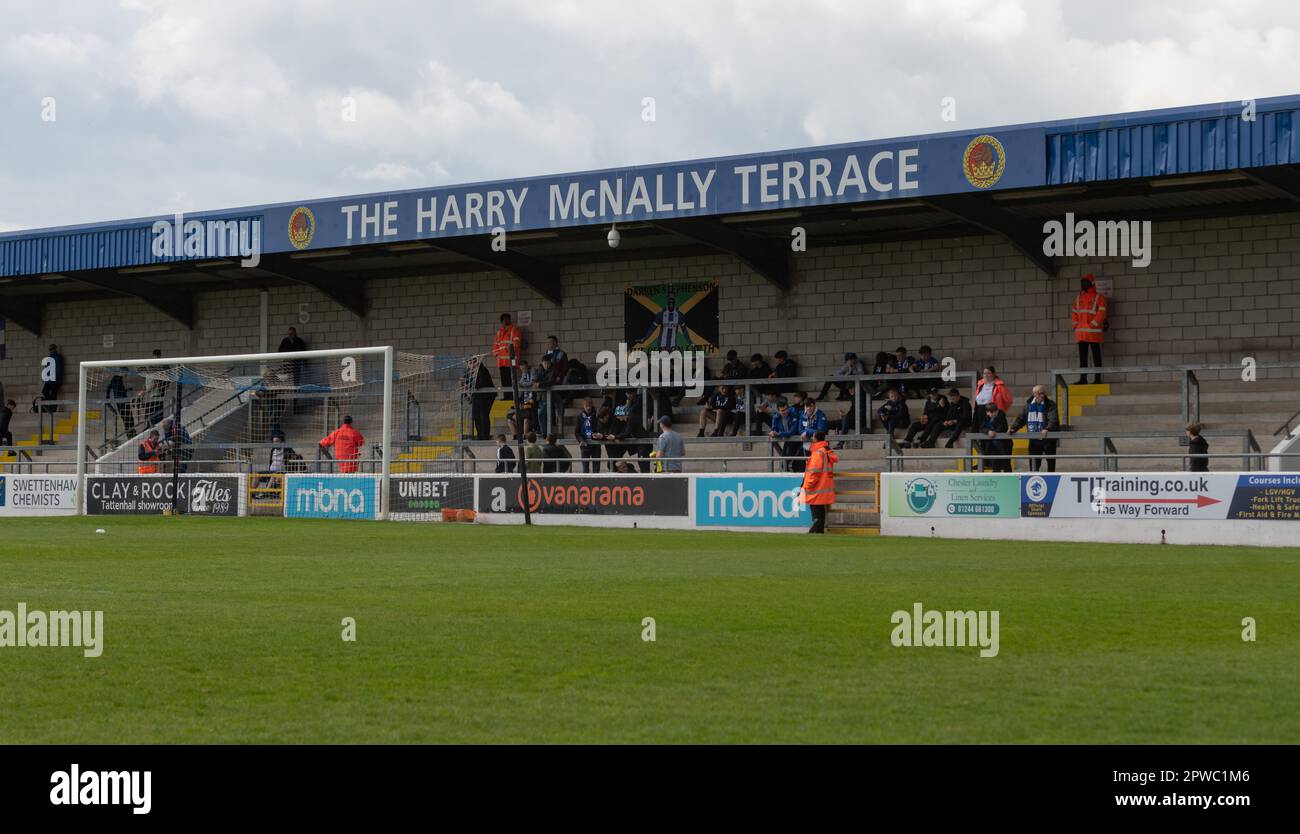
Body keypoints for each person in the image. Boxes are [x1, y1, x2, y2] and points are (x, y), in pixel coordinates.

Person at [1010, 385, 1061, 472]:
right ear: (1034, 394)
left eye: (1043, 393)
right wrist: (1014, 428)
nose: (1042, 395)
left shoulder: (1050, 404)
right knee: (1034, 465)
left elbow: (1053, 419)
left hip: (1048, 439)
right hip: (1034, 440)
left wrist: (1047, 429)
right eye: (1040, 393)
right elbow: (1021, 419)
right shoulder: (1028, 405)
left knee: (1051, 464)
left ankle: (1052, 482)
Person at [1072, 274, 1108, 384]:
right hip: (1081, 334)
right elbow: (1074, 313)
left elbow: (1102, 312)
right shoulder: (1078, 298)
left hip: (1093, 333)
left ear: (1091, 283)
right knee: (1083, 358)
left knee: (1096, 357)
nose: (1083, 284)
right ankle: (1083, 379)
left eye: (1085, 281)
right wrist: (1075, 325)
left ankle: (1097, 379)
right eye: (1082, 282)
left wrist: (1093, 324)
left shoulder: (1099, 297)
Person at [801, 430, 837, 534]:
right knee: (821, 507)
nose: (811, 438)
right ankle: (820, 530)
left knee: (814, 505)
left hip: (817, 485)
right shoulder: (827, 450)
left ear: (816, 438)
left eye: (812, 436)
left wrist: (807, 485)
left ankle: (816, 522)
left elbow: (814, 471)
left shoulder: (818, 453)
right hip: (825, 484)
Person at [977, 403, 1012, 472]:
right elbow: (981, 428)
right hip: (993, 445)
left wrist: (994, 432)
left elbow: (1003, 427)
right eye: (992, 412)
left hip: (1004, 445)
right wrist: (988, 431)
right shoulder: (986, 417)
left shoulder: (1001, 415)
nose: (994, 414)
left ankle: (1010, 480)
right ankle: (996, 481)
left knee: (1006, 464)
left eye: (995, 411)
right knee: (995, 465)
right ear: (987, 412)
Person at [767, 402, 801, 471]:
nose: (785, 411)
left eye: (786, 409)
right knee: (784, 461)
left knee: (792, 462)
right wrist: (773, 433)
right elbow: (774, 429)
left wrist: (779, 434)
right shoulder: (776, 417)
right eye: (782, 410)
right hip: (788, 440)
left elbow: (793, 431)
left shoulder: (794, 414)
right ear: (778, 411)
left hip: (797, 441)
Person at [492, 312, 523, 389]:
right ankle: (506, 398)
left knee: (511, 380)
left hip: (511, 361)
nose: (506, 321)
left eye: (507, 319)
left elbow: (517, 342)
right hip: (501, 363)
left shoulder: (514, 330)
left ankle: (511, 398)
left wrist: (510, 347)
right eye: (504, 319)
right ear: (501, 321)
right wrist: (496, 354)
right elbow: (495, 346)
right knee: (504, 381)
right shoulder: (499, 333)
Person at [469, 356, 496, 440]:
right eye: (469, 364)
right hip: (478, 398)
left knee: (483, 416)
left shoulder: (482, 370)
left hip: (486, 397)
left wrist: (470, 386)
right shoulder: (469, 372)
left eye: (471, 363)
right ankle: (480, 435)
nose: (470, 365)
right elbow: (466, 381)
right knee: (476, 416)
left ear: (475, 363)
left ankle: (484, 436)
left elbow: (481, 383)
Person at [574, 398, 602, 473]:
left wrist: (597, 434)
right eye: (586, 406)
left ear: (592, 406)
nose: (588, 408)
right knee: (585, 469)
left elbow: (599, 429)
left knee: (596, 469)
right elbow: (577, 432)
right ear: (583, 406)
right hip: (584, 446)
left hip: (595, 445)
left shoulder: (596, 416)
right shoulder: (579, 417)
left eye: (589, 406)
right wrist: (581, 440)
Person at [41, 344, 65, 412]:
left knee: (54, 392)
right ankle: (50, 405)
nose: (50, 351)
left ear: (55, 349)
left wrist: (57, 379)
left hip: (56, 380)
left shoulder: (58, 357)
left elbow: (59, 369)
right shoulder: (49, 358)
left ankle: (53, 406)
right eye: (49, 349)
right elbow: (46, 369)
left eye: (51, 349)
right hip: (50, 380)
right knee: (45, 391)